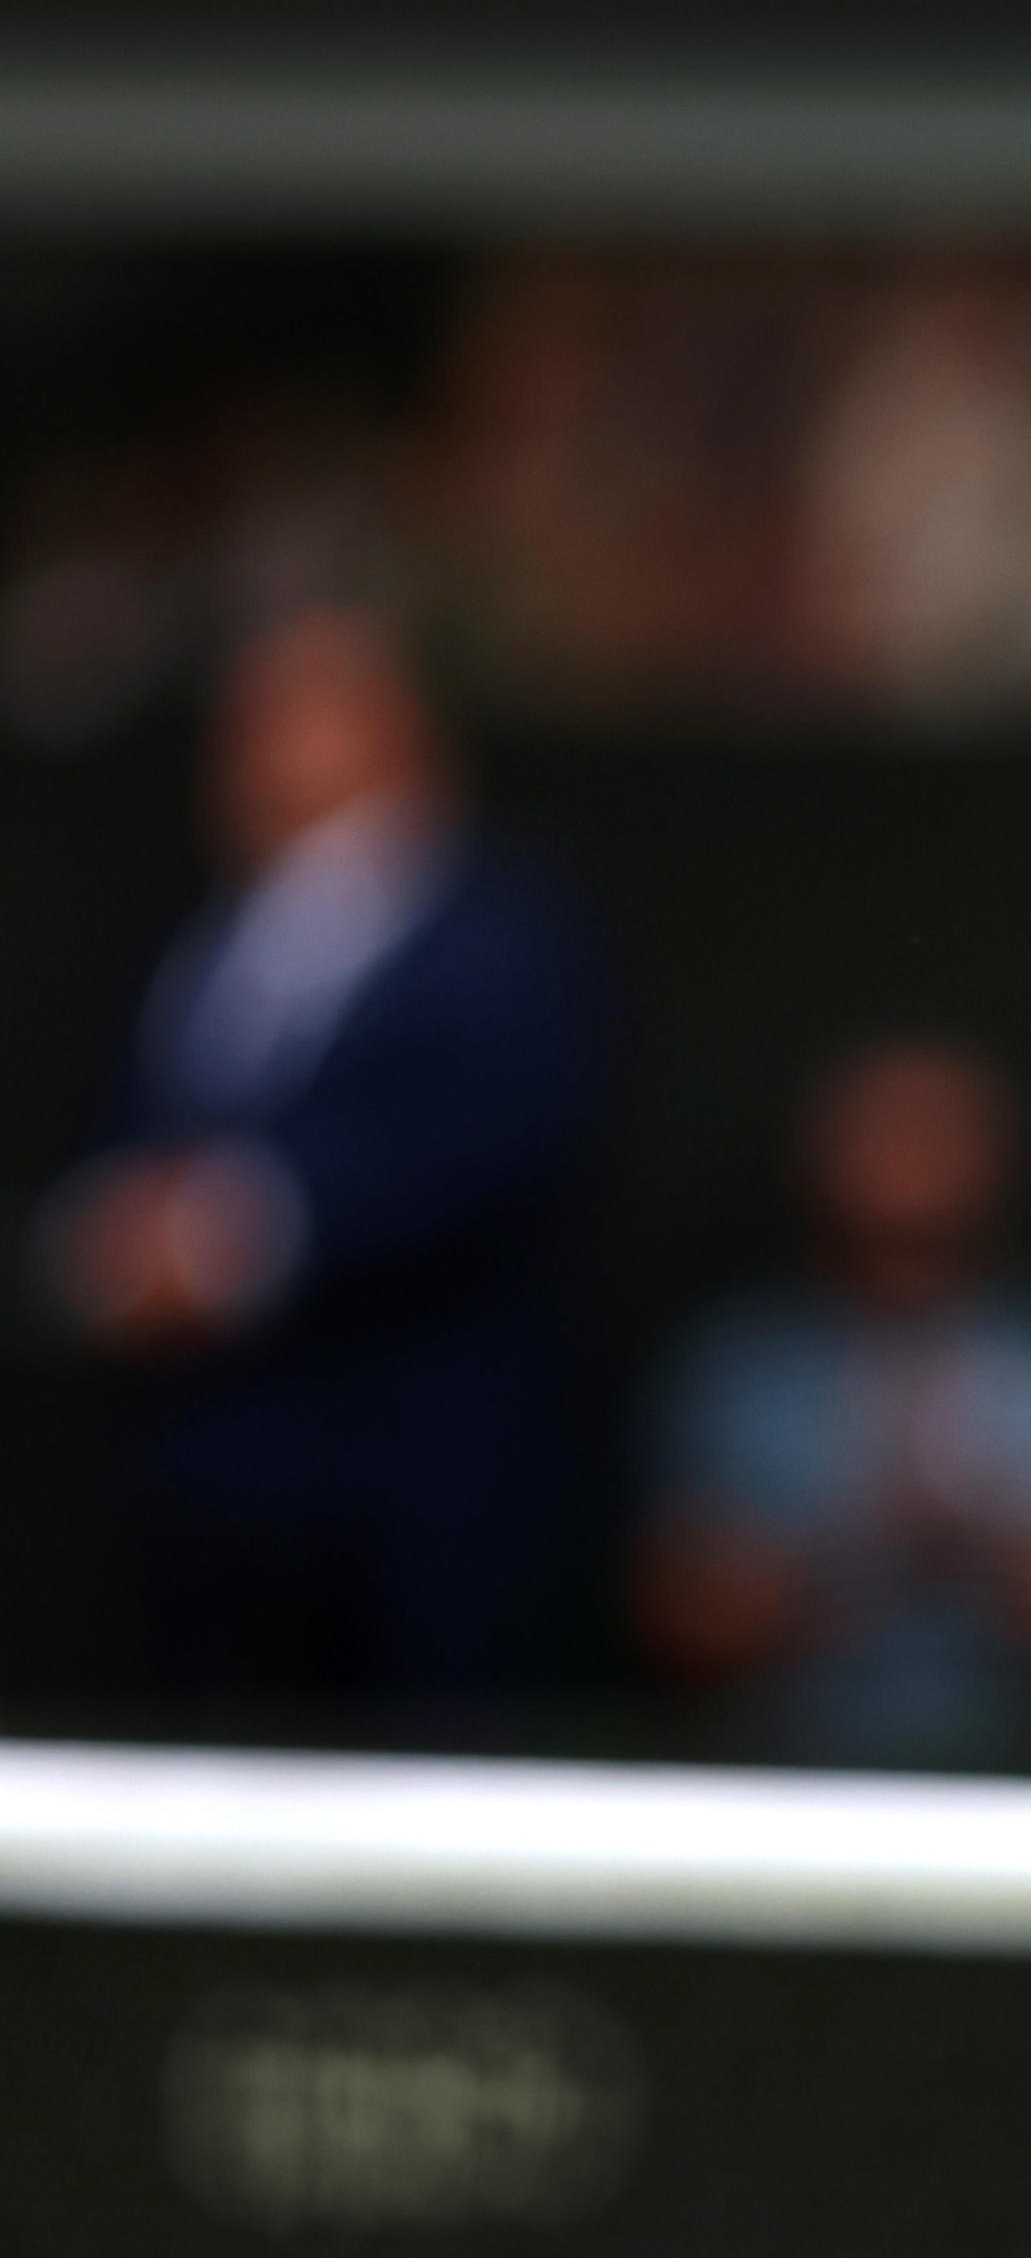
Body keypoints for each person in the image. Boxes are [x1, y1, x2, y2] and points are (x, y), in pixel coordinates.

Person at [37, 606, 610, 1702]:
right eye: (241, 724)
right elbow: (136, 1139)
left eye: (292, 716)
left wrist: (236, 1236)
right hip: (220, 1489)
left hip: (427, 1487)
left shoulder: (506, 927)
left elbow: (489, 1134)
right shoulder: (204, 942)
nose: (250, 751)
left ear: (396, 728)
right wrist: (104, 1243)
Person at [632, 1031, 1031, 1768]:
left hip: (1030, 1793)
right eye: (883, 1128)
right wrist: (861, 1543)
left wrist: (979, 1542)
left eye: (940, 1129)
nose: (911, 1159)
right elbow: (677, 1619)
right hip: (789, 1791)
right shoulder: (740, 1367)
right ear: (816, 1152)